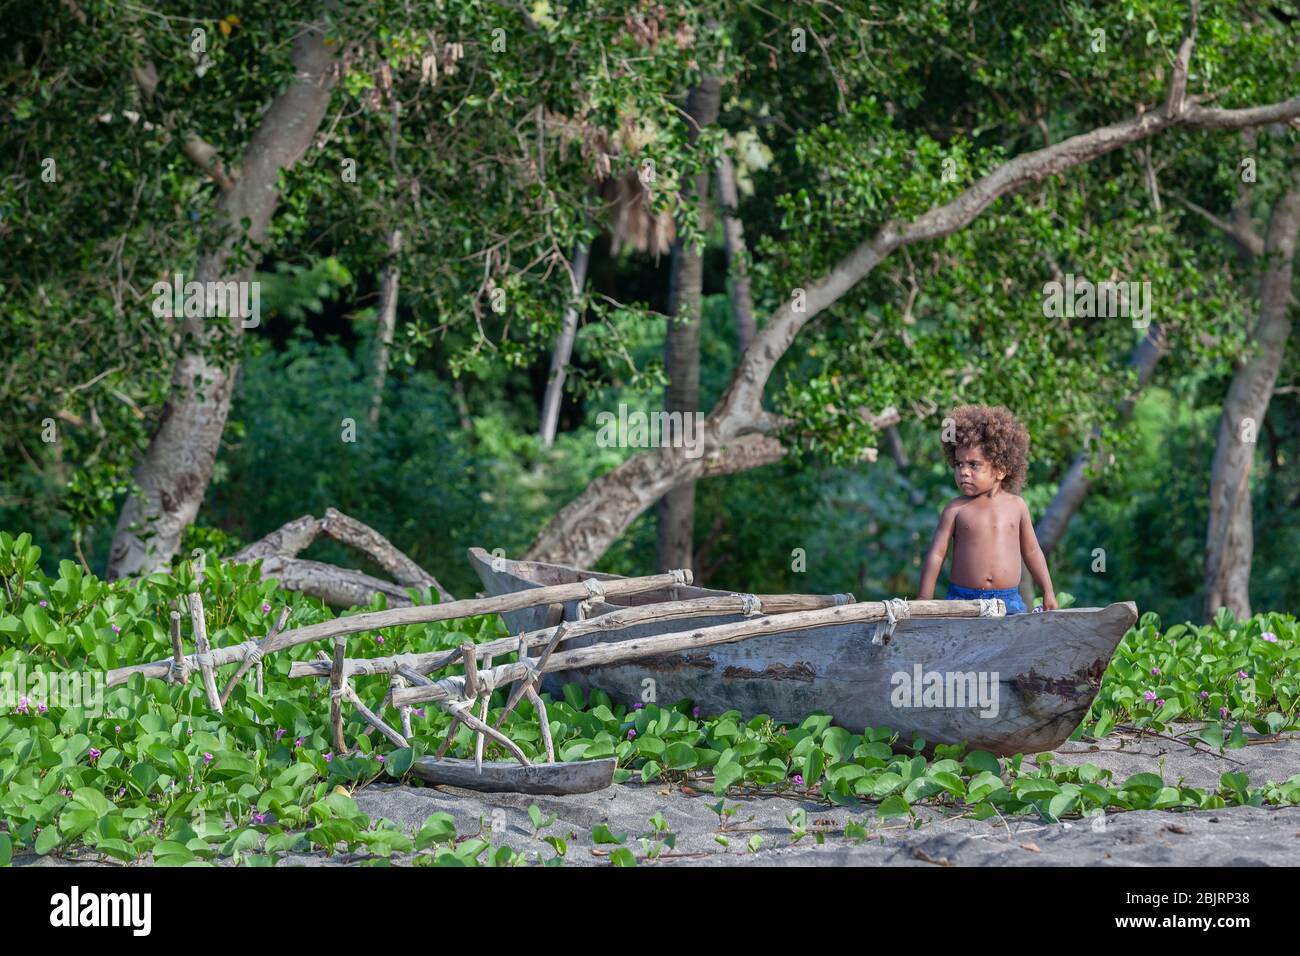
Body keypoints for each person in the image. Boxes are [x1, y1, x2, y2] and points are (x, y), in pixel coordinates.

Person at [917, 405, 1057, 615]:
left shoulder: (1016, 506)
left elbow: (1032, 551)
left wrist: (1048, 591)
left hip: (1008, 602)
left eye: (973, 465)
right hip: (962, 601)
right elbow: (937, 554)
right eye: (958, 464)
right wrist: (923, 600)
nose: (963, 472)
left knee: (1011, 647)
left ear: (1000, 469)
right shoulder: (955, 509)